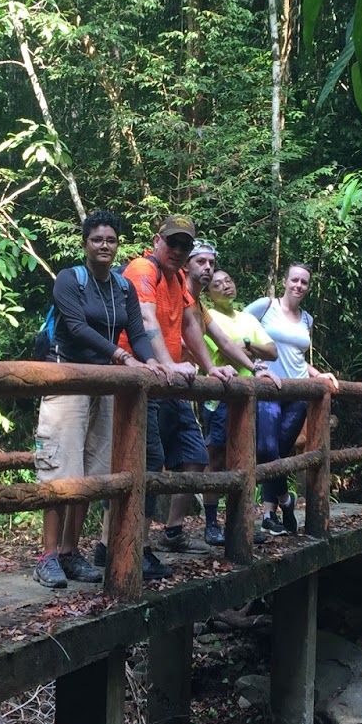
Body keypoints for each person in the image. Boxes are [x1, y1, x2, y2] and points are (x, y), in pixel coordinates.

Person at [33, 211, 166, 588]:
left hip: (105, 385)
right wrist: (123, 358)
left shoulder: (122, 288)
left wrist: (152, 363)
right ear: (85, 243)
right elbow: (76, 327)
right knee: (60, 467)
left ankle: (70, 553)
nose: (104, 245)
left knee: (93, 471)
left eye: (110, 240)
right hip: (68, 380)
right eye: (97, 239)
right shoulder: (69, 280)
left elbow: (137, 334)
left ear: (117, 244)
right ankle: (46, 556)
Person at [118, 215, 236, 578]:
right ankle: (134, 548)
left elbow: (189, 325)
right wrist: (169, 364)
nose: (179, 250)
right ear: (158, 241)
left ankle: (164, 533)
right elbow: (147, 319)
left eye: (186, 246)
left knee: (193, 454)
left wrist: (211, 367)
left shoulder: (178, 280)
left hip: (168, 383)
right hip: (142, 378)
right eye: (174, 243)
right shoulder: (143, 268)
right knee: (148, 464)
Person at [247, 263, 338, 535]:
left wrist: (318, 374)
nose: (299, 285)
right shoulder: (265, 307)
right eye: (295, 280)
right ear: (285, 281)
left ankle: (268, 516)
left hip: (298, 394)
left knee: (280, 454)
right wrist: (251, 363)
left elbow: (297, 359)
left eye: (304, 282)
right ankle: (286, 501)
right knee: (266, 449)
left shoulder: (307, 318)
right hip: (268, 390)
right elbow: (233, 333)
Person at [193, 258, 277, 543]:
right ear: (208, 293)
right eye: (217, 284)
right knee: (216, 458)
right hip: (221, 396)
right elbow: (225, 352)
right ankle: (211, 523)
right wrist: (246, 353)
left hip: (247, 398)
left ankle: (239, 523)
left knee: (242, 459)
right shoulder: (208, 317)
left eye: (228, 281)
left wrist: (249, 346)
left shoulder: (248, 319)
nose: (225, 286)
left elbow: (272, 351)